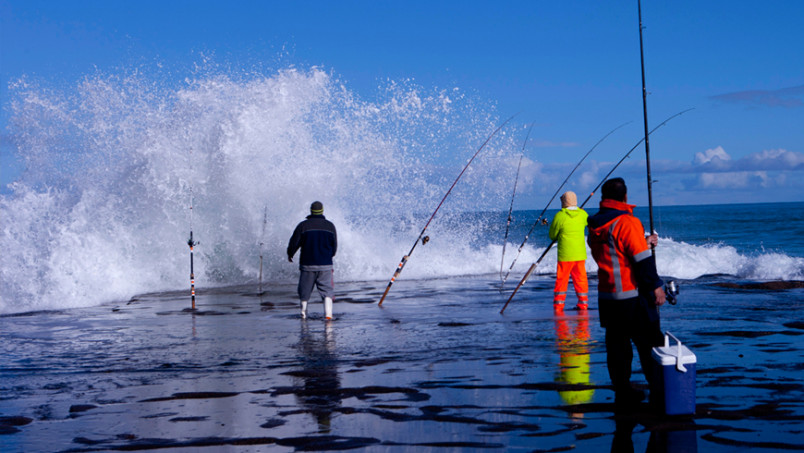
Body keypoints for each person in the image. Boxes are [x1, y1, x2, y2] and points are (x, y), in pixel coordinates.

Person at [586, 177, 666, 411]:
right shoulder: (627, 222)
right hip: (631, 296)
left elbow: (615, 250)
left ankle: (622, 389)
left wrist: (641, 241)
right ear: (625, 197)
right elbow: (642, 260)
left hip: (607, 296)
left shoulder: (594, 224)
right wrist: (656, 287)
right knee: (650, 342)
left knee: (617, 346)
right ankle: (659, 387)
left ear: (603, 198)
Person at [287, 201, 337, 320]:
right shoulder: (330, 226)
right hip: (325, 264)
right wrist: (329, 256)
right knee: (327, 291)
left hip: (307, 264)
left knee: (304, 291)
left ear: (311, 210)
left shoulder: (303, 226)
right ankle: (328, 316)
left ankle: (303, 314)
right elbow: (334, 246)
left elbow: (294, 243)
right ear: (322, 210)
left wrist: (290, 254)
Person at [548, 191, 589, 313]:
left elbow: (552, 235)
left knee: (562, 280)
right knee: (581, 280)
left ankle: (558, 307)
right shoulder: (583, 214)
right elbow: (587, 222)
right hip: (580, 254)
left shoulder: (560, 216)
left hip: (565, 255)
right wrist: (580, 212)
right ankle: (583, 304)